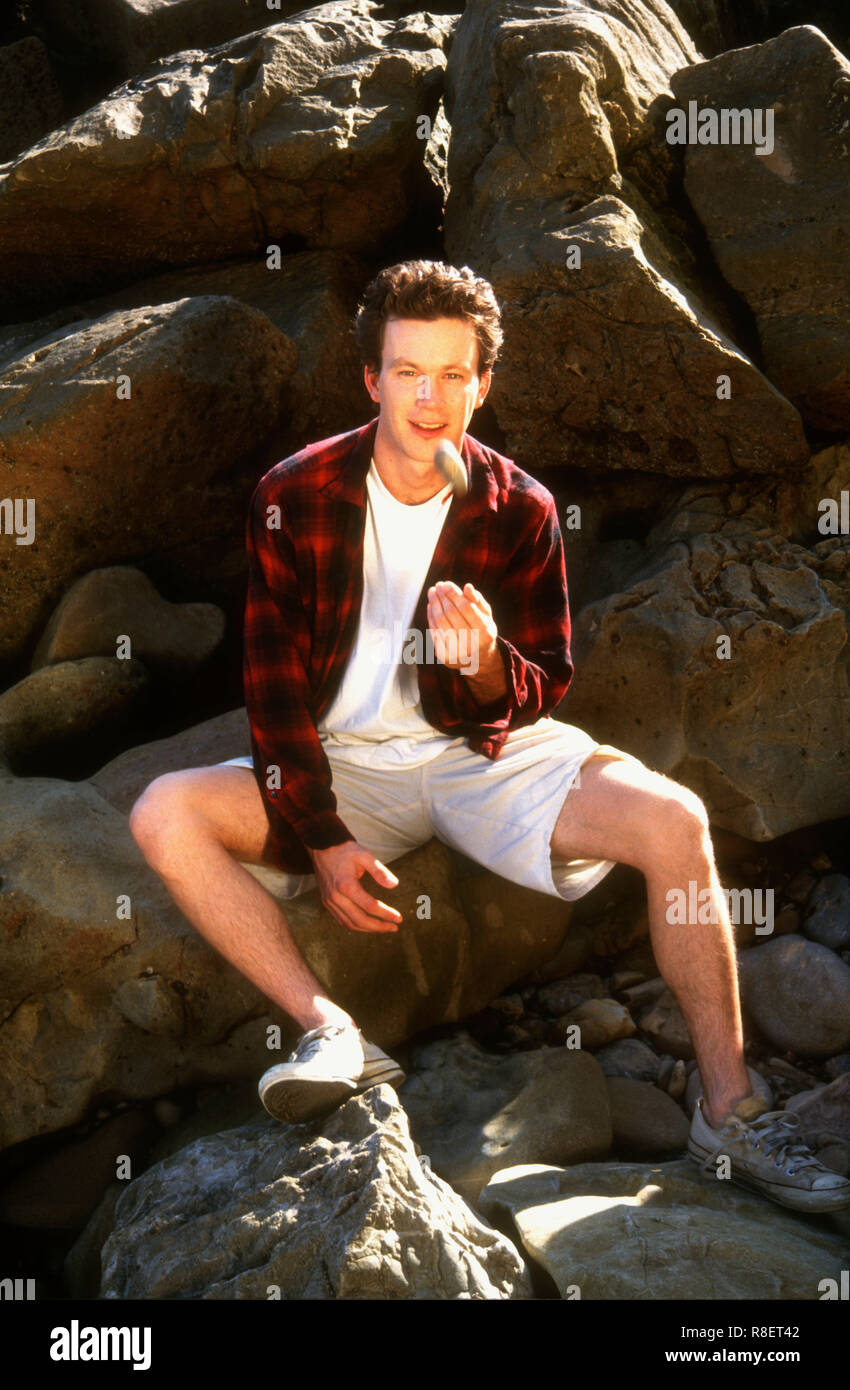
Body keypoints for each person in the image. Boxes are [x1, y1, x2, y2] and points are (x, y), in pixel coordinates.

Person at [130, 260, 849, 1216]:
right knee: (163, 812)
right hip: (343, 768)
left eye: (453, 375)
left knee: (675, 819)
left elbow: (543, 682)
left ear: (484, 382)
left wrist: (480, 666)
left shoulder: (523, 509)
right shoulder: (292, 493)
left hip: (480, 757)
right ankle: (330, 1028)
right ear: (371, 380)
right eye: (408, 372)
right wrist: (323, 837)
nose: (430, 399)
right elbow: (270, 688)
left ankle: (731, 1109)